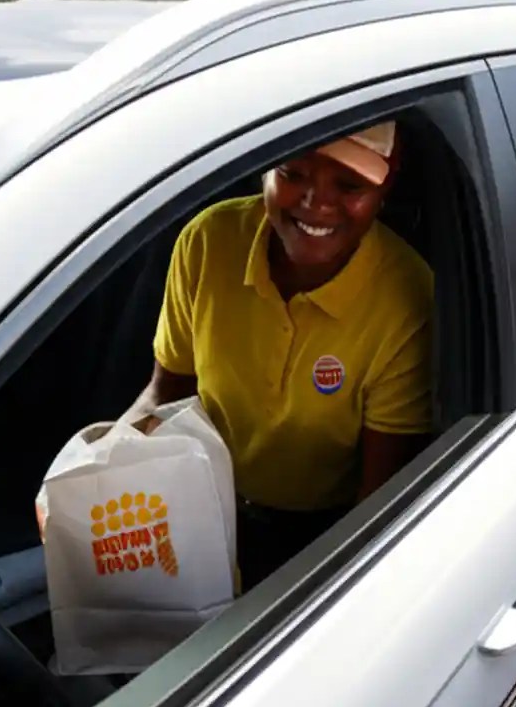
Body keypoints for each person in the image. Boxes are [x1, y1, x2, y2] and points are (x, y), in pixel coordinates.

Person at [125, 121, 434, 588]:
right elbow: (165, 394)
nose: (316, 202)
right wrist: (96, 476)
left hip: (320, 533)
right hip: (201, 502)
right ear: (266, 171)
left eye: (349, 185)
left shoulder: (406, 296)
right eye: (293, 174)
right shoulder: (209, 241)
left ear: (385, 187)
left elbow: (379, 495)